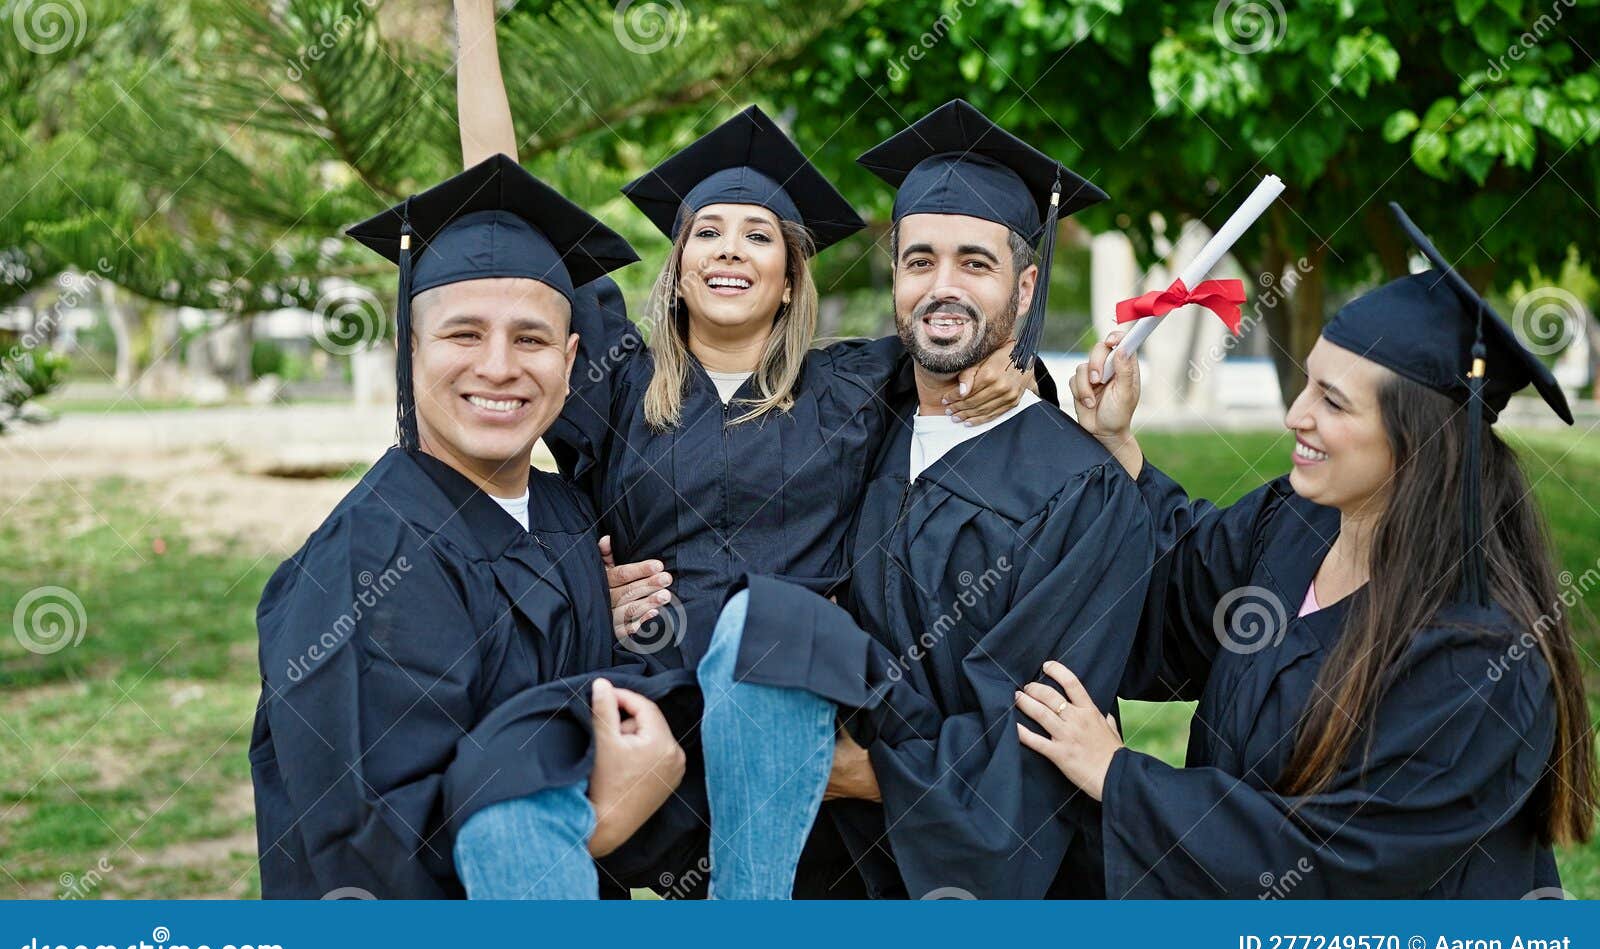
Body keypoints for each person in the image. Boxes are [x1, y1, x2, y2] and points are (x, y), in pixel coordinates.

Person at [1020, 202, 1597, 898]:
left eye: (1333, 402)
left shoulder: (1478, 660)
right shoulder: (1300, 522)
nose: (1297, 415)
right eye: (1306, 385)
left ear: (1417, 443)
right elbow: (1178, 584)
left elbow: (1336, 870)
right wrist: (1117, 447)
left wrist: (1121, 778)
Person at [454, 0, 1038, 679]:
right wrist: (473, 15)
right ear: (676, 272)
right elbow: (502, 196)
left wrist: (1011, 364)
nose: (729, 251)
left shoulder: (854, 387)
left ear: (790, 279)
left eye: (758, 236)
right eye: (707, 233)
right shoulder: (616, 385)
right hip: (645, 686)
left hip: (794, 686)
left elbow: (954, 333)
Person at [694, 100, 1156, 899]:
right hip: (821, 871)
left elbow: (1028, 745)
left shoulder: (1082, 494)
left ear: (1026, 284)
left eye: (975, 264)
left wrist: (838, 770)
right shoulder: (844, 427)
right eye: (919, 261)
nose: (942, 288)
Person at [250, 155, 699, 899]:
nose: (498, 367)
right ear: (410, 349)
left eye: (529, 339)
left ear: (570, 357)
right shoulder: (365, 563)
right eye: (464, 334)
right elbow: (364, 851)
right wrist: (600, 825)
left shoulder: (566, 518)